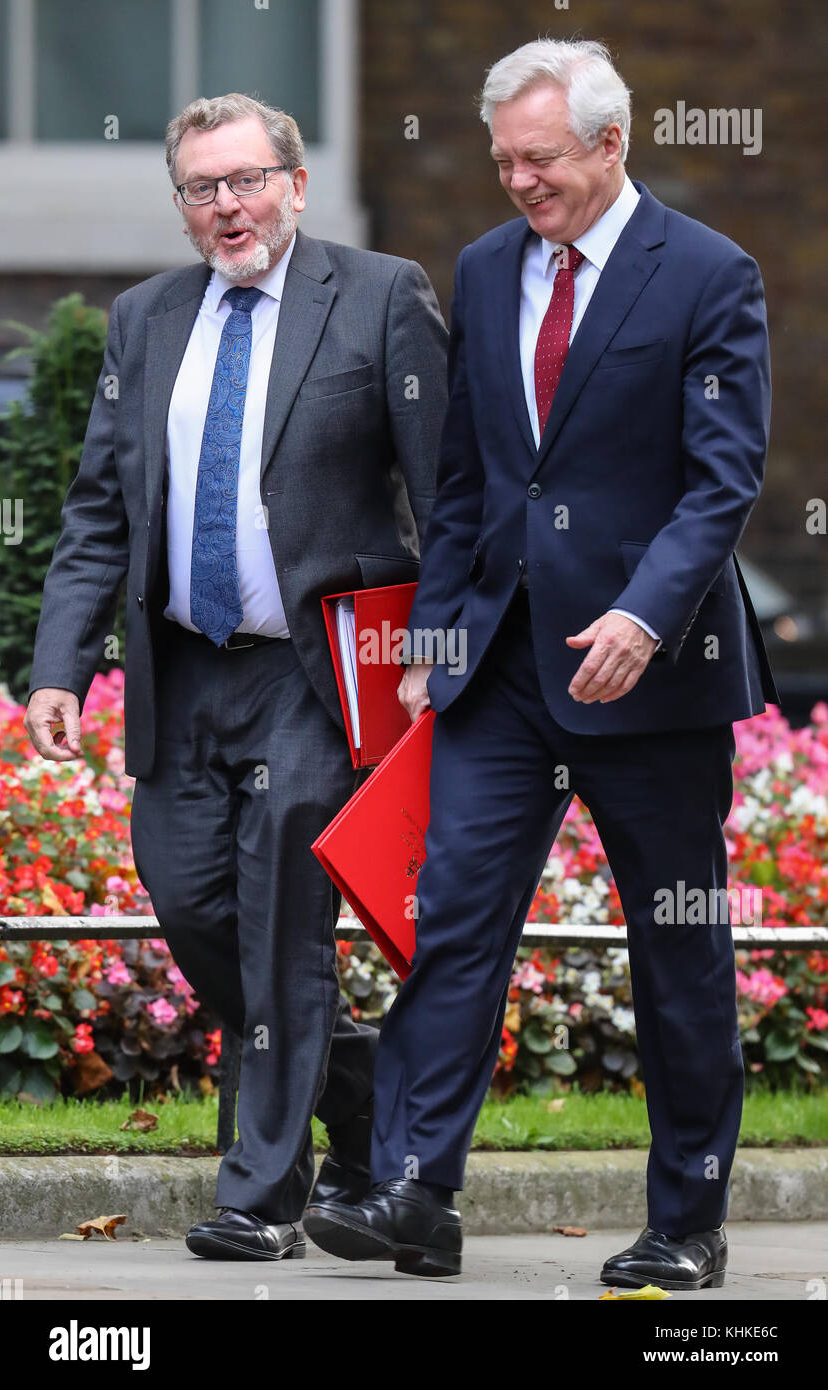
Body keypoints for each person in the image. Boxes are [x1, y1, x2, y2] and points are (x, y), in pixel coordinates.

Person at [304, 39, 778, 1286]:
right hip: (501, 672)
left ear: (611, 144)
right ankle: (418, 1189)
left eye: (543, 158)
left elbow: (721, 478)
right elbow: (469, 478)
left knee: (675, 945)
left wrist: (644, 614)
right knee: (454, 921)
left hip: (651, 675)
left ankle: (685, 1222)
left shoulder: (710, 274)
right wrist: (438, 637)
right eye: (506, 157)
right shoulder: (484, 266)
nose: (519, 180)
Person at [24, 93, 447, 1262]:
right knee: (194, 906)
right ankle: (359, 1095)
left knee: (276, 936)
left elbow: (448, 490)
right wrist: (59, 665)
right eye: (203, 189)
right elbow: (101, 508)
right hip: (181, 675)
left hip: (312, 674)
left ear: (296, 185)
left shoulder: (378, 295)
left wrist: (437, 643)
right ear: (181, 207)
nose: (228, 206)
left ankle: (261, 1199)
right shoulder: (147, 319)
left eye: (247, 180)